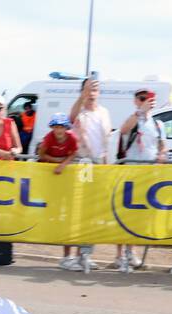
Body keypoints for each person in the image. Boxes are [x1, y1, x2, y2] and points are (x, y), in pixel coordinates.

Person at [110, 87, 166, 272]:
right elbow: (124, 130)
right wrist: (140, 112)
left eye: (148, 99)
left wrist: (161, 156)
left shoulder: (158, 124)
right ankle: (119, 255)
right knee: (125, 213)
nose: (145, 101)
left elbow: (162, 147)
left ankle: (132, 251)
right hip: (130, 174)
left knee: (140, 215)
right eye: (142, 98)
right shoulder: (133, 119)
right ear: (136, 101)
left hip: (148, 175)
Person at [69, 76, 113, 270]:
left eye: (95, 89)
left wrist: (106, 166)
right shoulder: (81, 112)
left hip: (98, 165)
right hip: (83, 164)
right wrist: (83, 94)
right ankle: (73, 255)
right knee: (79, 210)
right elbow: (72, 117)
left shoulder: (104, 112)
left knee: (93, 212)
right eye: (89, 89)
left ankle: (86, 253)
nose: (92, 92)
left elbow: (107, 140)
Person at [37, 114, 81, 270]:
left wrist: (64, 164)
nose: (58, 130)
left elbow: (74, 153)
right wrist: (57, 162)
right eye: (56, 127)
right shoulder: (49, 138)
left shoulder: (71, 137)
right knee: (53, 209)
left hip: (66, 176)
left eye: (61, 127)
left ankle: (72, 255)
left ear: (66, 128)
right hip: (51, 174)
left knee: (71, 214)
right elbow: (41, 154)